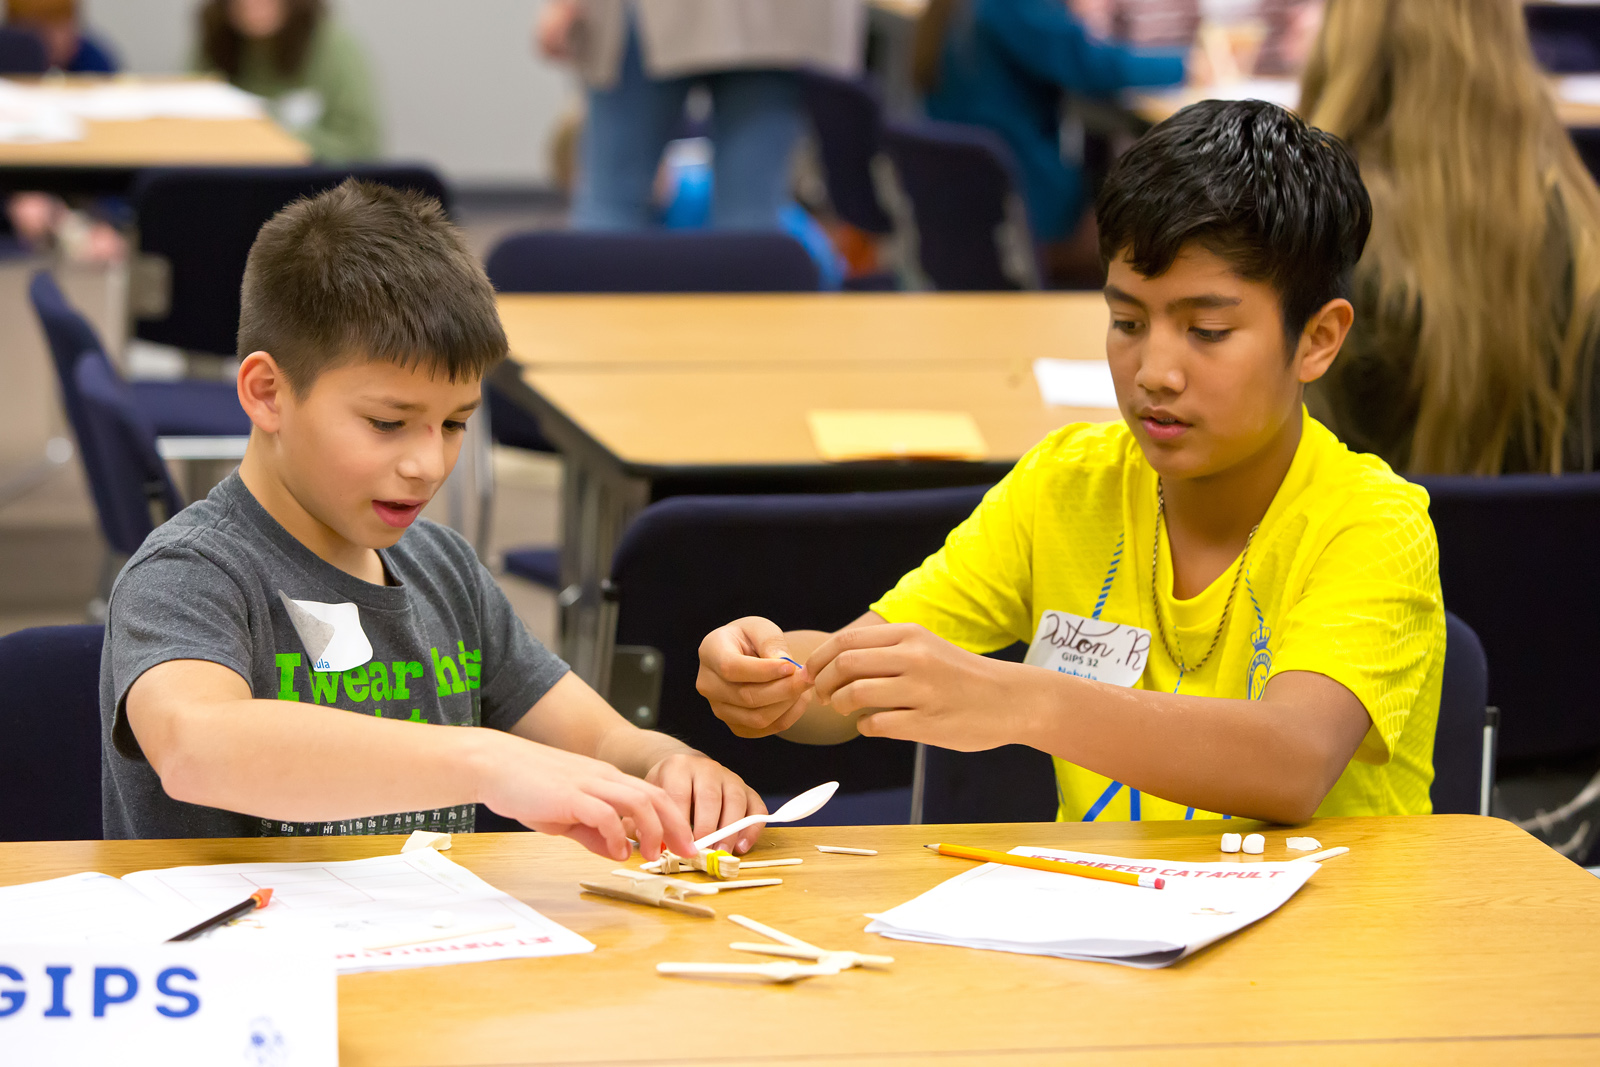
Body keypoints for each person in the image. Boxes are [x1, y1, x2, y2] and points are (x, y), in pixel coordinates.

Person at [698, 100, 1447, 824]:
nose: (1156, 369)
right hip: (1113, 935)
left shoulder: (1372, 524)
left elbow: (1292, 763)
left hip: (1331, 943)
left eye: (1208, 331)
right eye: (1126, 320)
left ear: (1317, 339)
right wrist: (779, 674)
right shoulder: (1068, 484)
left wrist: (1023, 698)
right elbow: (856, 677)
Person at [102, 180, 763, 856]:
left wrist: (670, 764)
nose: (427, 463)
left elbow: (600, 739)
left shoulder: (443, 569)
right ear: (268, 393)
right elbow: (194, 745)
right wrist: (483, 759)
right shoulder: (191, 571)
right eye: (388, 423)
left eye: (454, 423)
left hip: (424, 950)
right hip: (245, 956)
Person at [1301, 0, 1600, 475]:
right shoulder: (1581, 236)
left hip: (1358, 544)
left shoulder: (1314, 239)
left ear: (1342, 39)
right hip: (1551, 548)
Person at [911, 0, 1186, 287]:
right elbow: (1092, 66)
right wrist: (1188, 65)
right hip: (1024, 213)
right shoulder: (1014, 7)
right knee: (1157, 238)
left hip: (965, 210)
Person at [536, 0, 863, 230]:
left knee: (613, 207)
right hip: (776, 20)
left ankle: (598, 327)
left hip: (647, 15)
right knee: (751, 221)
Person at [195, 0, 380, 163]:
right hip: (229, 184)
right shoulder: (214, 45)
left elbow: (361, 146)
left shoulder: (334, 49)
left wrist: (274, 140)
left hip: (315, 189)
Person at [5, 0, 115, 71]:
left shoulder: (92, 59)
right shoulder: (8, 62)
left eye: (67, 23)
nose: (64, 37)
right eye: (45, 28)